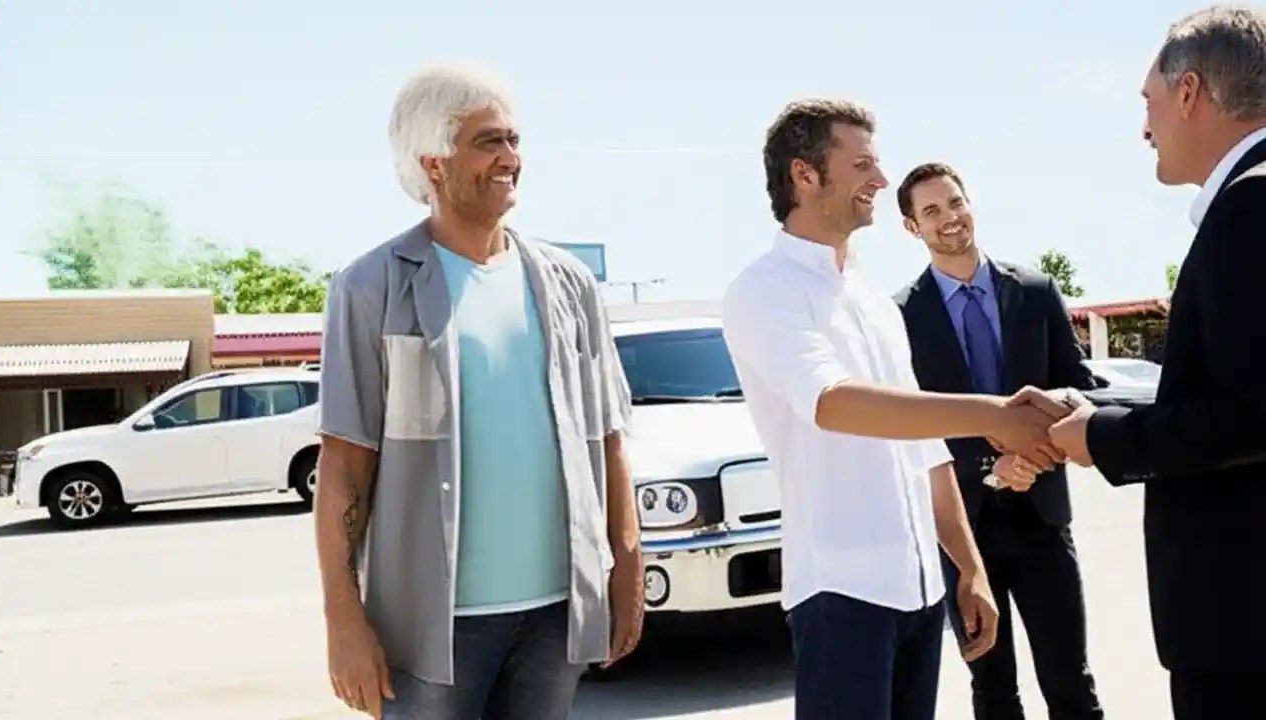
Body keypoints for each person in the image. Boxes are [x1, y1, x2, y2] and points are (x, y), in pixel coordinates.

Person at [313, 61, 645, 720]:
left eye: (513, 140)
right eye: (488, 142)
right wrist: (343, 621)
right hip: (434, 629)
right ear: (432, 164)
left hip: (555, 618)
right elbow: (345, 469)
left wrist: (627, 566)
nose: (510, 158)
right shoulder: (371, 288)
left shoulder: (568, 284)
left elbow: (606, 438)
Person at [721, 98, 1066, 720]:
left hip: (920, 593)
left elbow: (924, 450)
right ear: (805, 174)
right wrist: (993, 414)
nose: (880, 181)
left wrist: (968, 567)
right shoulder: (762, 291)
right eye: (863, 166)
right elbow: (832, 403)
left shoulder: (874, 301)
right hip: (841, 594)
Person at [1036, 6, 1266, 719]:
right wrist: (1098, 414)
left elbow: (1246, 418)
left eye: (1149, 102)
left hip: (1243, 632)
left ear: (1190, 92)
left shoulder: (1250, 209)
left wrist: (1096, 438)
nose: (1145, 126)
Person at [893, 162, 1104, 719]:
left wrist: (1030, 457)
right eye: (931, 211)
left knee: (1071, 684)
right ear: (912, 228)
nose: (949, 218)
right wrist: (993, 461)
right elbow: (909, 421)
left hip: (1041, 516)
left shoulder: (1034, 292)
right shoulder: (899, 316)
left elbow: (1081, 389)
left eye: (955, 202)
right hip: (964, 532)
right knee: (992, 691)